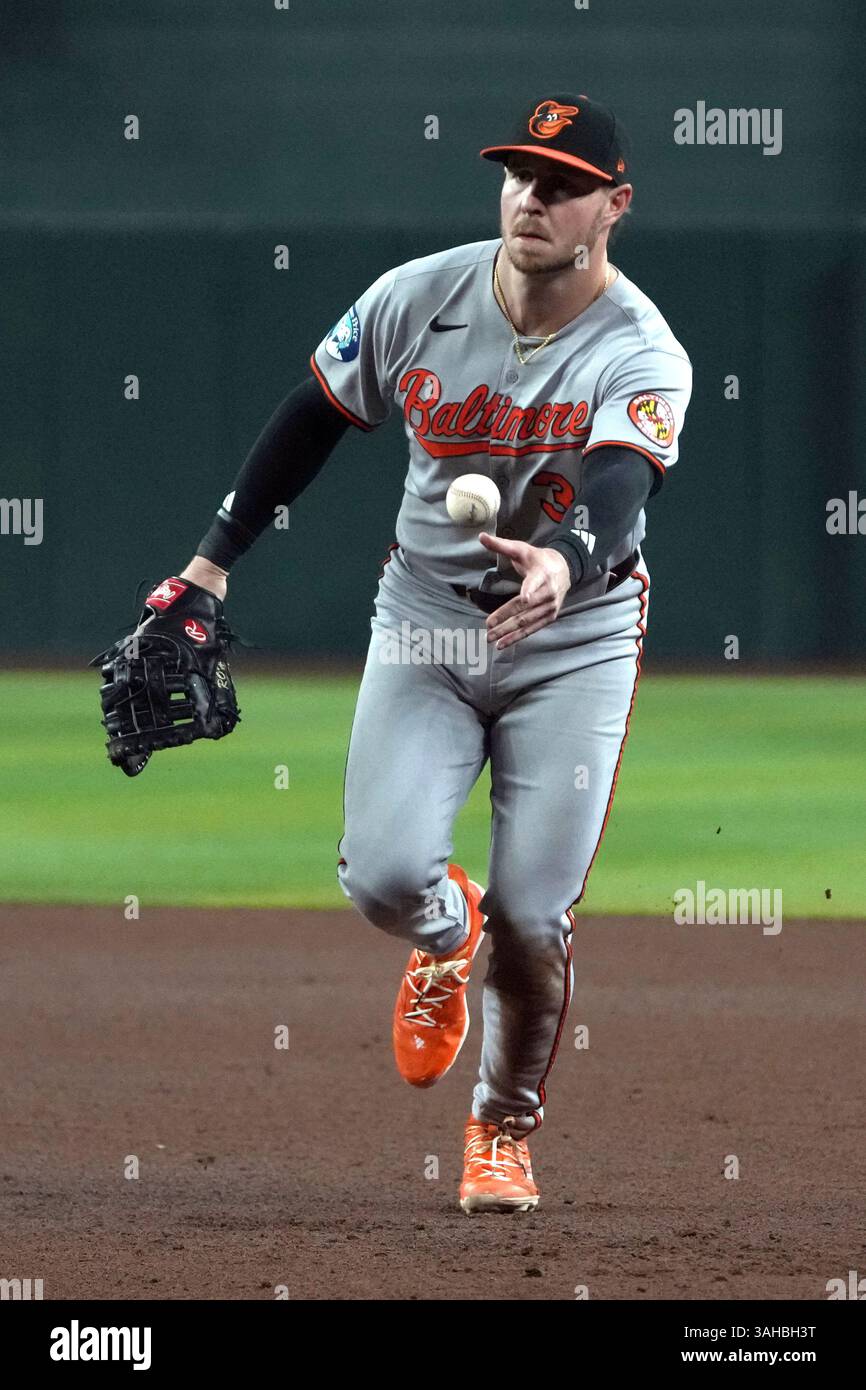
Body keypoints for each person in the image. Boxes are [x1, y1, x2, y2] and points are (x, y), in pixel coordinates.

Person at [178, 93, 692, 1213]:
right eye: (518, 175)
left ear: (615, 204)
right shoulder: (416, 297)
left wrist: (566, 559)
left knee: (535, 916)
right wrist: (211, 565)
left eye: (562, 185)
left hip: (575, 637)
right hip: (425, 620)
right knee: (381, 877)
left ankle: (501, 1129)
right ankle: (444, 931)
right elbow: (312, 414)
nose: (531, 198)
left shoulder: (642, 348)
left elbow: (619, 486)